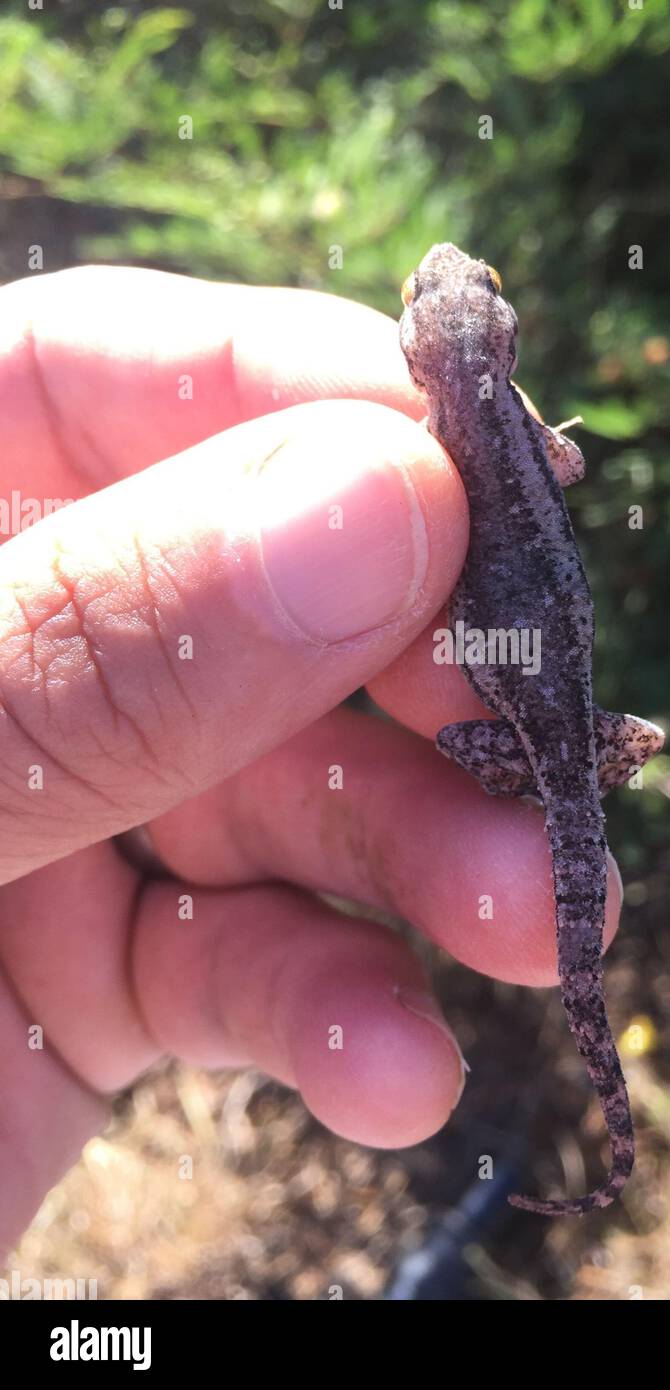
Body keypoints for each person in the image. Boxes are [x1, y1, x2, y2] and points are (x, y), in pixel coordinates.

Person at [0, 266, 623, 1250]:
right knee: (540, 796)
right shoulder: (509, 436)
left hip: (522, 738)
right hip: (571, 724)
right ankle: (586, 781)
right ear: (502, 346)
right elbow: (569, 473)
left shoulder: (428, 446)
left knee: (463, 750)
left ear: (419, 356)